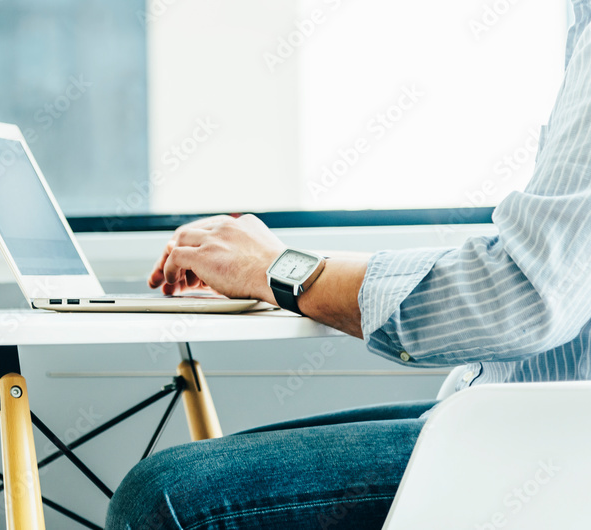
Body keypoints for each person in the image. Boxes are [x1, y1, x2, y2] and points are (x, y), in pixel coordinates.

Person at [106, 1, 591, 528]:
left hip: (553, 444)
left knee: (159, 500)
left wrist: (277, 269)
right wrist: (270, 262)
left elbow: (519, 296)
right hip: (523, 413)